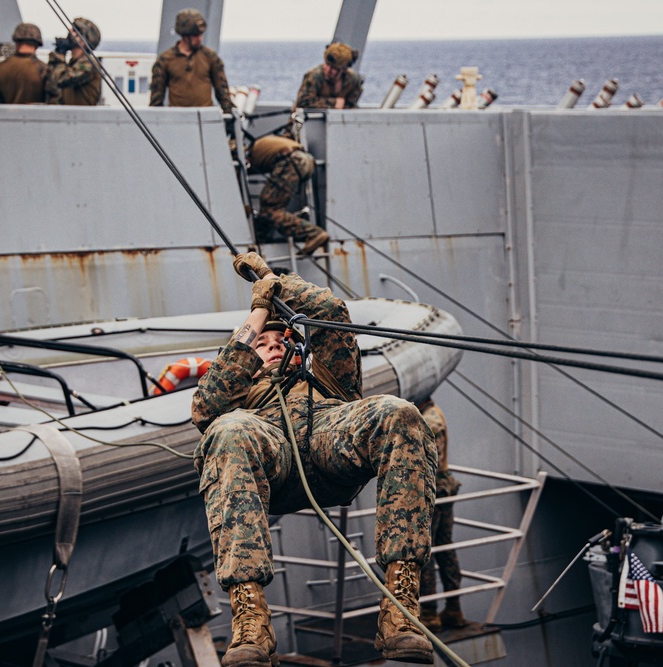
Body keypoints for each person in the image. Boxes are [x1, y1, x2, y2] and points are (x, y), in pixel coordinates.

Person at [191, 251, 437, 666]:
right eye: (261, 345)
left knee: (400, 413)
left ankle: (400, 608)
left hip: (327, 433)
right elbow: (205, 410)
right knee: (226, 431)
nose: (271, 348)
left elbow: (330, 311)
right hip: (270, 447)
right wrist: (256, 315)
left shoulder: (325, 377)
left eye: (280, 342)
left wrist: (273, 281)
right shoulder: (242, 397)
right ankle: (250, 619)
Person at [417, 400, 468, 631]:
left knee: (427, 550)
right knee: (444, 548)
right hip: (443, 488)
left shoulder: (429, 421)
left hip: (434, 491)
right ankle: (453, 608)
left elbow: (431, 464)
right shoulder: (434, 412)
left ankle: (429, 614)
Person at [248, 134, 328, 254]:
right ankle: (258, 239)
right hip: (305, 160)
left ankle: (313, 233)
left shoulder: (244, 155)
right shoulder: (263, 143)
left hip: (291, 161)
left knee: (270, 209)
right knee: (269, 208)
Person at [149, 8, 232, 113]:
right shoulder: (165, 60)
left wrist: (229, 114)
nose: (199, 38)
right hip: (177, 120)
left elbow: (222, 91)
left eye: (201, 34)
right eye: (195, 35)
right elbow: (157, 98)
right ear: (185, 36)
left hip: (205, 120)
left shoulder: (210, 57)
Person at [0, 23, 57, 105]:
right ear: (37, 44)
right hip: (35, 117)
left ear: (16, 42)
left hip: (6, 117)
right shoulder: (43, 69)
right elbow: (53, 102)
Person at [47, 17, 102, 106]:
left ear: (83, 40)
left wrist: (59, 54)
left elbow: (62, 79)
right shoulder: (73, 63)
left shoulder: (88, 64)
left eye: (75, 30)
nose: (69, 31)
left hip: (80, 117)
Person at [295, 42, 364, 110]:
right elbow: (303, 102)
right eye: (327, 64)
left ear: (343, 69)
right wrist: (334, 103)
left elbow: (350, 105)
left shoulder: (353, 81)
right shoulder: (315, 76)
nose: (328, 70)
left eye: (334, 68)